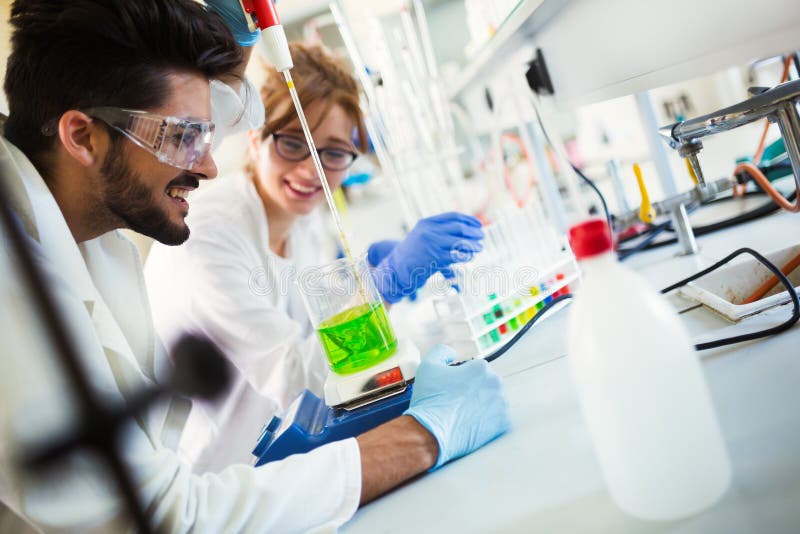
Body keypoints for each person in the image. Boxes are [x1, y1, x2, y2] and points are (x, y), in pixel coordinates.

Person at [0, 1, 510, 532]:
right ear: (82, 136)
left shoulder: (90, 237)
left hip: (258, 481)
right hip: (229, 481)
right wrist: (425, 435)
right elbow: (163, 516)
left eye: (204, 135)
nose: (209, 165)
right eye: (183, 137)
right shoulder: (14, 280)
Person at [144, 41, 486, 472]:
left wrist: (362, 284)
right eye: (292, 143)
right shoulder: (207, 238)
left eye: (334, 152)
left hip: (288, 454)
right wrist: (384, 288)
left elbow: (310, 335)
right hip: (225, 481)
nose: (311, 171)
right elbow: (296, 381)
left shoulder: (302, 218)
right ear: (255, 138)